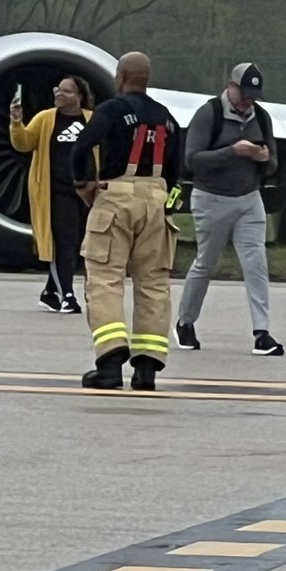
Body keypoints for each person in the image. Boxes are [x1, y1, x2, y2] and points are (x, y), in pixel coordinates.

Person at [66, 51, 181, 391]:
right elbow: (178, 171)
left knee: (105, 279)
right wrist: (167, 204)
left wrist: (83, 186)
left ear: (120, 77)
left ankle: (110, 363)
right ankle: (146, 370)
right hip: (156, 200)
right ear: (147, 78)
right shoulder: (166, 117)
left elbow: (80, 149)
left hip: (116, 197)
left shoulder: (112, 111)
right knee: (154, 284)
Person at [174, 63, 285, 357]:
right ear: (230, 86)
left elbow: (273, 163)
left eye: (253, 96)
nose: (248, 101)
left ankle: (262, 333)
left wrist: (263, 157)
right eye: (244, 94)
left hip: (249, 200)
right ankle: (185, 322)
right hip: (211, 199)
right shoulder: (208, 114)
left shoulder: (261, 117)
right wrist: (232, 151)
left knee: (256, 264)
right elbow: (192, 159)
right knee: (206, 263)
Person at [9, 75, 93, 315]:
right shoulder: (45, 119)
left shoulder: (91, 120)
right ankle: (68, 295)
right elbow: (24, 144)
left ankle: (50, 293)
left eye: (66, 91)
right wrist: (17, 122)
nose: (59, 94)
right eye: (58, 89)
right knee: (63, 242)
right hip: (56, 192)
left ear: (79, 96)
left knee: (76, 242)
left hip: (86, 192)